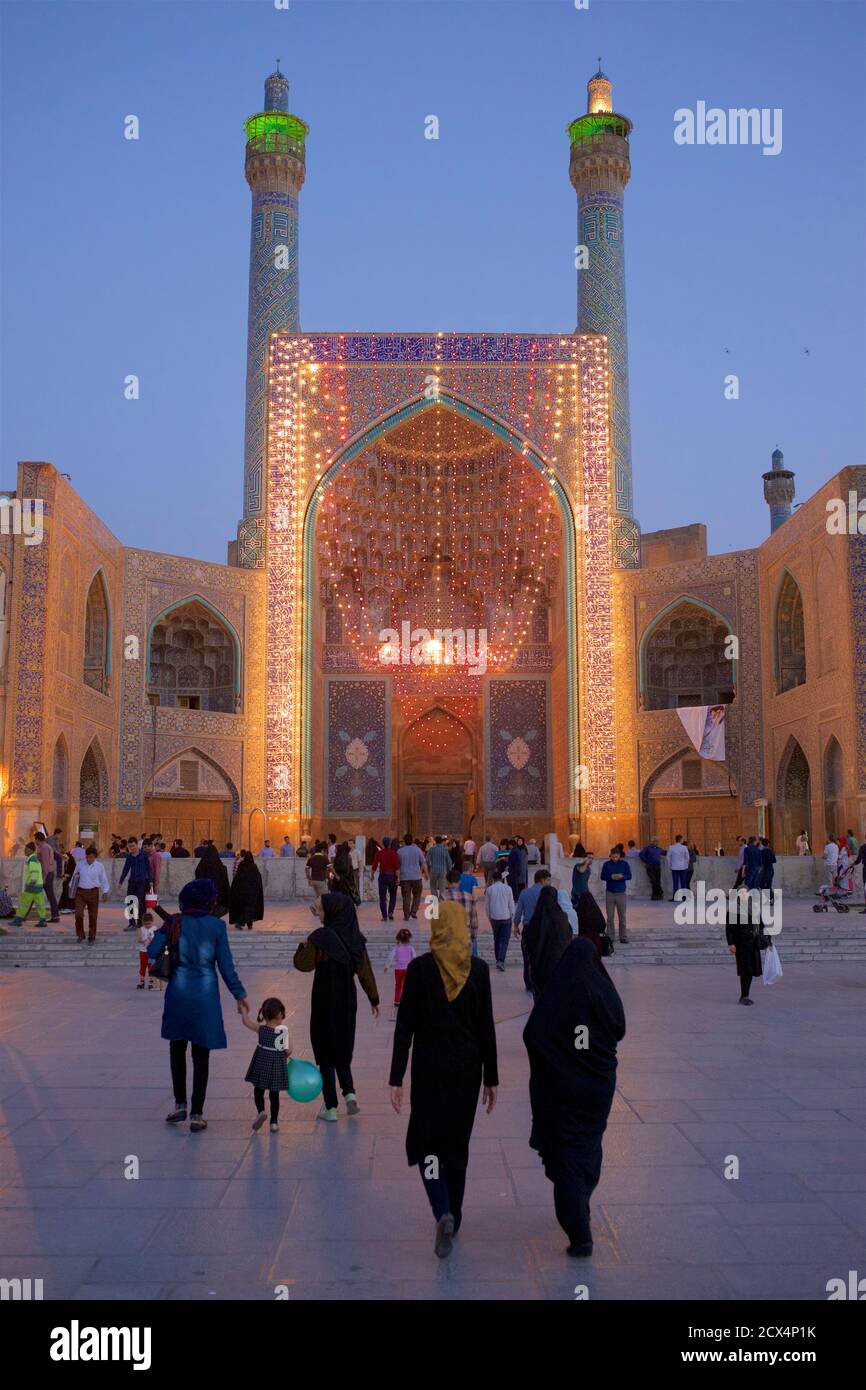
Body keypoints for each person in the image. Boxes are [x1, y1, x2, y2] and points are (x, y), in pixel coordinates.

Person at [389, 900, 498, 1259]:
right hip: (467, 1072)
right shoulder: (478, 970)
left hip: (429, 1069)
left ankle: (442, 1209)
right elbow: (486, 1030)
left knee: (426, 1144)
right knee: (457, 1144)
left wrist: (396, 1078)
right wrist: (491, 1079)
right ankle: (457, 1213)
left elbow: (404, 1026)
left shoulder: (420, 969)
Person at [522, 937, 625, 1257]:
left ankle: (579, 1231)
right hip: (596, 1089)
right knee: (588, 1145)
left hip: (560, 1090)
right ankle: (581, 1198)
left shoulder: (558, 993)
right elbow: (619, 1027)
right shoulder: (601, 990)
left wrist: (556, 1058)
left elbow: (533, 1034)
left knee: (566, 1155)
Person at [148, 878, 249, 1131]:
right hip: (205, 996)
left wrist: (167, 929)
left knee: (177, 1049)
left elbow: (151, 951)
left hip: (178, 993)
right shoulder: (216, 926)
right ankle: (197, 1113)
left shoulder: (175, 922)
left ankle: (180, 1104)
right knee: (201, 1055)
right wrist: (239, 994)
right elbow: (225, 966)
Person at [293, 878, 379, 1121]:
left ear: (332, 912)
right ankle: (350, 1094)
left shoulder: (320, 938)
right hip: (346, 1000)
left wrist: (302, 946)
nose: (319, 915)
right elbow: (365, 972)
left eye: (321, 911)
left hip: (323, 1000)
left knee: (325, 1055)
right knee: (342, 1048)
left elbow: (303, 965)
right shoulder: (356, 939)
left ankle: (331, 1107)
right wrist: (374, 999)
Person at [242, 997, 291, 1134]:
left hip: (261, 1064)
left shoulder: (261, 1029)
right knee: (274, 1095)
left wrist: (244, 1011)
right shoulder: (283, 1032)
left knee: (258, 1090)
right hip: (276, 1067)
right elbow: (288, 1051)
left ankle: (261, 1111)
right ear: (280, 1014)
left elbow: (246, 1022)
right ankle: (274, 1123)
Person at [522, 883, 573, 1001]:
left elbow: (529, 942)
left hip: (539, 969)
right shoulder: (562, 918)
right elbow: (567, 938)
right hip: (557, 966)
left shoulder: (535, 920)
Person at [725, 892, 764, 1006]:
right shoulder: (733, 909)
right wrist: (731, 944)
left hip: (753, 943)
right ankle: (744, 996)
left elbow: (761, 925)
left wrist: (766, 940)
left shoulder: (754, 907)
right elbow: (729, 929)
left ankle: (746, 993)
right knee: (744, 970)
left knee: (752, 970)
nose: (743, 895)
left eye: (745, 893)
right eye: (740, 893)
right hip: (741, 944)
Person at [69, 846, 110, 943]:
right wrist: (71, 889)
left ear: (95, 857)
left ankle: (92, 936)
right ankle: (80, 934)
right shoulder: (80, 864)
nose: (89, 859)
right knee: (78, 914)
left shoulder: (99, 866)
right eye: (87, 857)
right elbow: (74, 877)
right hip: (80, 892)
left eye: (91, 857)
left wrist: (105, 892)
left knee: (93, 916)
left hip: (93, 892)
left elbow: (103, 879)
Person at [440, 867, 479, 956]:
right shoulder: (469, 897)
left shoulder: (443, 897)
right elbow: (474, 921)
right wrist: (473, 937)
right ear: (459, 881)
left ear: (447, 882)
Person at [11, 843, 48, 928]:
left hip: (32, 886)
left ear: (31, 850)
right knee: (40, 903)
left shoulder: (32, 859)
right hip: (38, 886)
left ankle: (18, 920)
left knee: (24, 903)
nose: (24, 851)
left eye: (26, 849)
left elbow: (34, 871)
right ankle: (43, 920)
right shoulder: (34, 859)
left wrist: (32, 882)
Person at [119, 836, 151, 931]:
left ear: (137, 845)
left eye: (133, 846)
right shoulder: (129, 856)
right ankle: (131, 923)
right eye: (130, 847)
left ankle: (140, 923)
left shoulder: (144, 855)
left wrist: (151, 881)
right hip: (132, 882)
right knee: (130, 902)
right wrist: (121, 881)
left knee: (141, 904)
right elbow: (126, 869)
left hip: (142, 883)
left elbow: (149, 869)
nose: (132, 848)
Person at [600, 847, 631, 943]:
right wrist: (611, 877)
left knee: (622, 916)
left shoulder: (625, 864)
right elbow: (602, 876)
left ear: (619, 856)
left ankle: (623, 936)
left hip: (621, 893)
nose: (614, 858)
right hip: (610, 892)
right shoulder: (606, 864)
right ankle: (610, 937)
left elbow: (629, 875)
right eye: (612, 857)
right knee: (610, 916)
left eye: (616, 857)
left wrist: (622, 876)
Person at [485, 869, 514, 971]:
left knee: (496, 939)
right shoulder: (508, 888)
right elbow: (511, 904)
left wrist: (490, 918)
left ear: (493, 879)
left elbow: (487, 907)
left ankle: (498, 958)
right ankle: (501, 960)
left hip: (495, 918)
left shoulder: (489, 890)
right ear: (501, 878)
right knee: (504, 940)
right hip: (506, 917)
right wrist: (512, 916)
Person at [229, 849, 264, 930]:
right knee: (250, 907)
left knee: (243, 907)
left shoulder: (242, 865)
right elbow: (258, 879)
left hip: (241, 892)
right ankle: (247, 923)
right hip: (251, 892)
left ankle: (244, 923)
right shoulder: (253, 866)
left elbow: (237, 878)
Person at [385, 927, 416, 1016]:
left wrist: (387, 966)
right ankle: (408, 1000)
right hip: (408, 969)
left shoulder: (397, 947)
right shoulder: (410, 948)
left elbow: (390, 957)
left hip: (398, 969)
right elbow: (414, 957)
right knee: (408, 985)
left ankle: (397, 1001)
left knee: (398, 985)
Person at [195, 843, 231, 917]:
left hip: (204, 895)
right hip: (217, 895)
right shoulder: (221, 867)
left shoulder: (201, 866)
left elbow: (197, 879)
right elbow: (225, 883)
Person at [398, 833, 427, 921]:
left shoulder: (400, 851)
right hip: (416, 876)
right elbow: (423, 862)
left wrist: (398, 877)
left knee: (406, 896)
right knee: (417, 895)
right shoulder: (417, 850)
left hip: (405, 877)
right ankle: (414, 911)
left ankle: (406, 915)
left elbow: (397, 865)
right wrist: (426, 874)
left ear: (404, 841)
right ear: (412, 840)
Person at [34, 831, 60, 924]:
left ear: (37, 839)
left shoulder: (44, 848)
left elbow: (45, 864)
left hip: (46, 874)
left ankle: (55, 916)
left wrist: (43, 878)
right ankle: (55, 916)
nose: (35, 841)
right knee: (50, 896)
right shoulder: (47, 846)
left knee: (46, 895)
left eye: (35, 839)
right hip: (49, 873)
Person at [371, 836, 399, 921]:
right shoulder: (395, 853)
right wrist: (398, 878)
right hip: (392, 876)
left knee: (382, 897)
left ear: (383, 843)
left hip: (383, 876)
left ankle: (384, 916)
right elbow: (397, 867)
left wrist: (372, 875)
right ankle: (390, 912)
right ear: (390, 843)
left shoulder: (379, 853)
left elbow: (374, 865)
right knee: (393, 895)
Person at [575, 889, 608, 958]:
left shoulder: (579, 911)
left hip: (583, 941)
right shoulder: (596, 911)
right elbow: (603, 925)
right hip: (595, 942)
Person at [306, 841, 330, 910]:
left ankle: (317, 910)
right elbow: (330, 867)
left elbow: (306, 869)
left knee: (318, 896)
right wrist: (335, 875)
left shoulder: (311, 858)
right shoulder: (324, 858)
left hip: (313, 880)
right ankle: (315, 907)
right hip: (321, 880)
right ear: (322, 850)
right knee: (324, 896)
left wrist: (309, 878)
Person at [570, 843, 593, 907]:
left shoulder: (589, 869)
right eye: (589, 858)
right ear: (585, 858)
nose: (590, 860)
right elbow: (581, 871)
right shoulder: (578, 866)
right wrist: (586, 862)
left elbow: (585, 882)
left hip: (585, 894)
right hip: (576, 894)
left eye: (592, 858)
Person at [137, 915, 157, 990]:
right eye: (146, 924)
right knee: (142, 966)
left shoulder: (154, 929)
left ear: (152, 922)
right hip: (143, 951)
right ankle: (142, 982)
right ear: (143, 923)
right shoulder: (141, 929)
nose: (147, 925)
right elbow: (138, 940)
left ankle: (151, 982)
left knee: (151, 966)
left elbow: (156, 940)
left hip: (151, 951)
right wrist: (143, 941)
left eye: (149, 924)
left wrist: (151, 939)